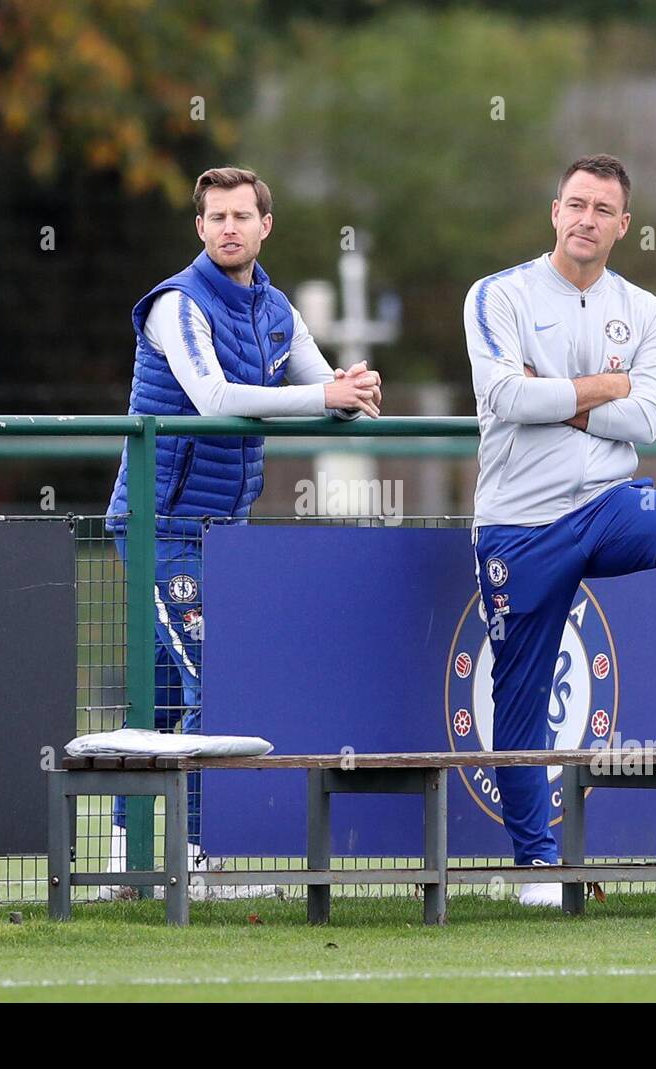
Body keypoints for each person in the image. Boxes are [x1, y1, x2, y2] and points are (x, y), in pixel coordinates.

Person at [464, 154, 656, 909]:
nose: (587, 219)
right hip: (518, 524)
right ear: (555, 211)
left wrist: (554, 398)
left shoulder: (647, 312)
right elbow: (504, 397)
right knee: (521, 698)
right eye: (576, 204)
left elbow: (648, 419)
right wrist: (603, 387)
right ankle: (536, 867)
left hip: (606, 503)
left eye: (603, 209)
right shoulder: (497, 294)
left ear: (624, 225)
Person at [102, 166, 382, 898]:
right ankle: (200, 855)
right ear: (200, 228)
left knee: (160, 700)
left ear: (266, 227)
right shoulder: (175, 304)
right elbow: (213, 397)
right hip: (159, 526)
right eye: (216, 217)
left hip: (226, 534)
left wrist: (351, 389)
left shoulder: (276, 307)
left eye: (242, 216)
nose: (229, 228)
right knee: (213, 680)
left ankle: (123, 866)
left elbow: (322, 389)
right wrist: (327, 393)